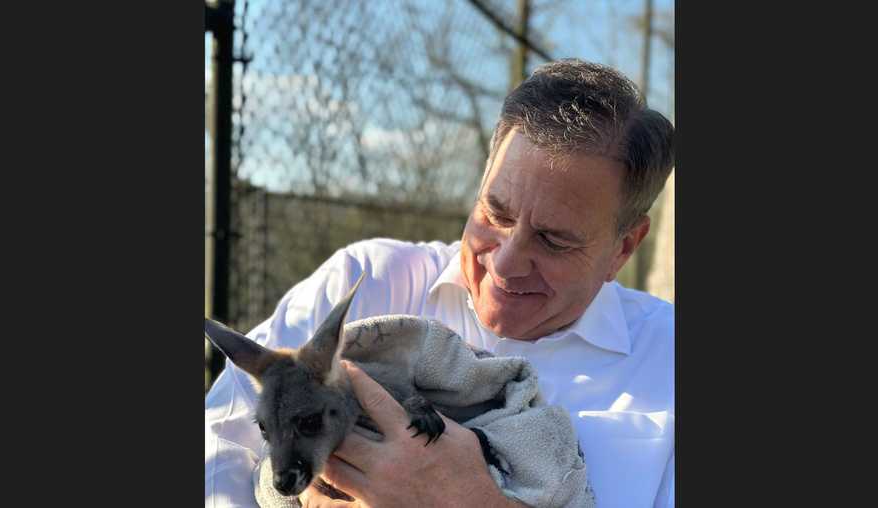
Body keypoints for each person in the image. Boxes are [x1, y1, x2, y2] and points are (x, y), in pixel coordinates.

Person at [205, 58, 675, 508]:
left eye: (553, 240)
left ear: (624, 248)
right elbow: (218, 448)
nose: (505, 263)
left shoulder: (666, 362)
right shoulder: (368, 282)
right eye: (496, 212)